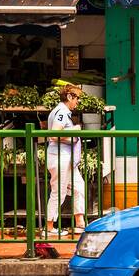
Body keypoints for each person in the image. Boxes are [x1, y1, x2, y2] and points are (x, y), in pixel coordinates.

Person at [45, 84, 87, 236]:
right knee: (59, 191)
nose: (78, 102)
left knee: (78, 187)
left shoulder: (60, 111)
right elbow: (54, 134)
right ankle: (49, 227)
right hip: (60, 157)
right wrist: (74, 131)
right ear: (69, 97)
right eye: (77, 98)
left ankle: (80, 223)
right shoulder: (61, 112)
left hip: (65, 158)